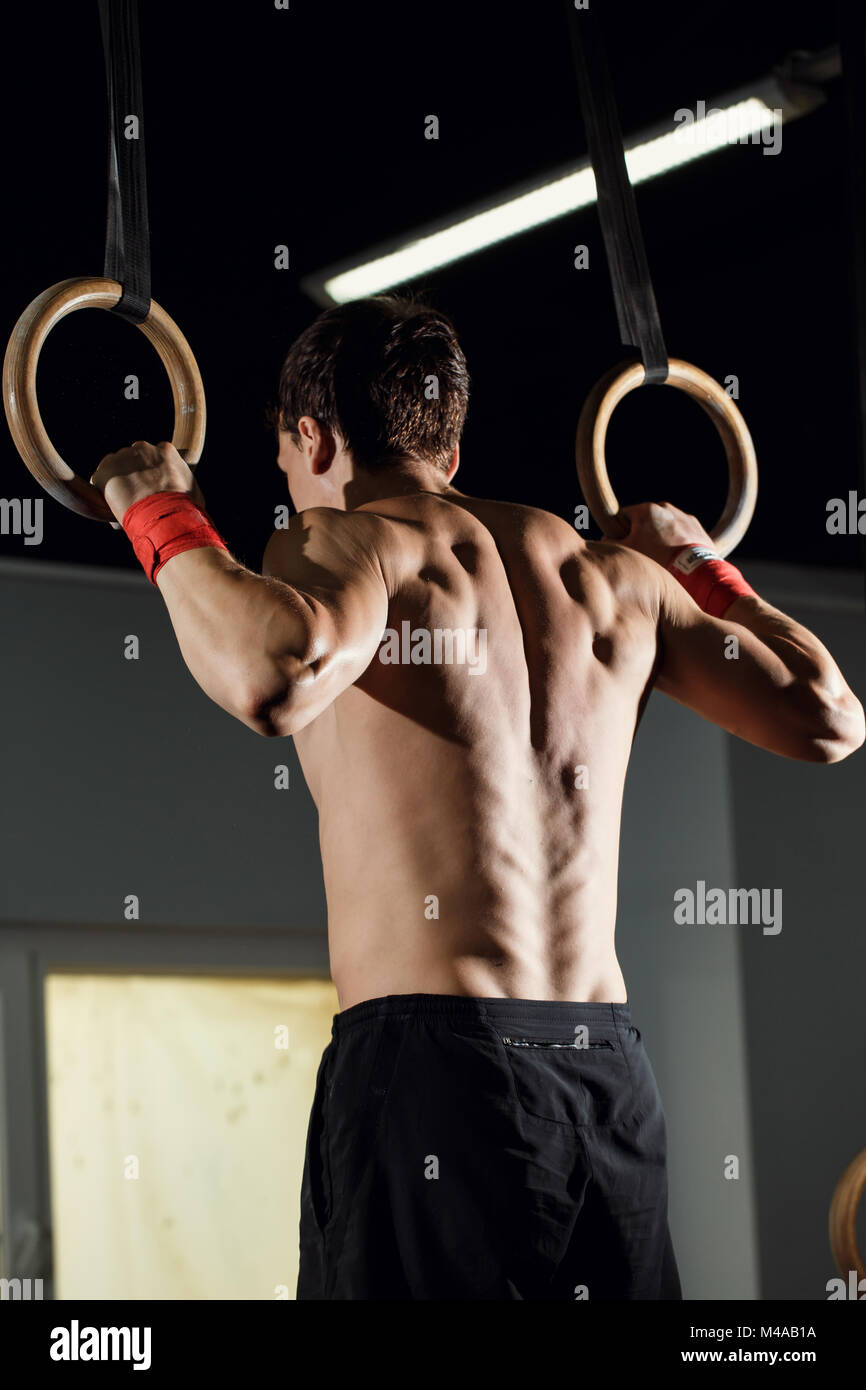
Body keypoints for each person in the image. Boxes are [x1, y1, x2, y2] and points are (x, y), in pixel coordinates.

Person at [91, 295, 865, 1301]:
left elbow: (270, 671)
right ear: (449, 450)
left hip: (434, 1069)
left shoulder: (350, 543)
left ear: (313, 439)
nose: (290, 481)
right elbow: (828, 716)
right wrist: (695, 562)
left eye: (286, 460)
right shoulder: (612, 580)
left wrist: (158, 512)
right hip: (605, 1074)